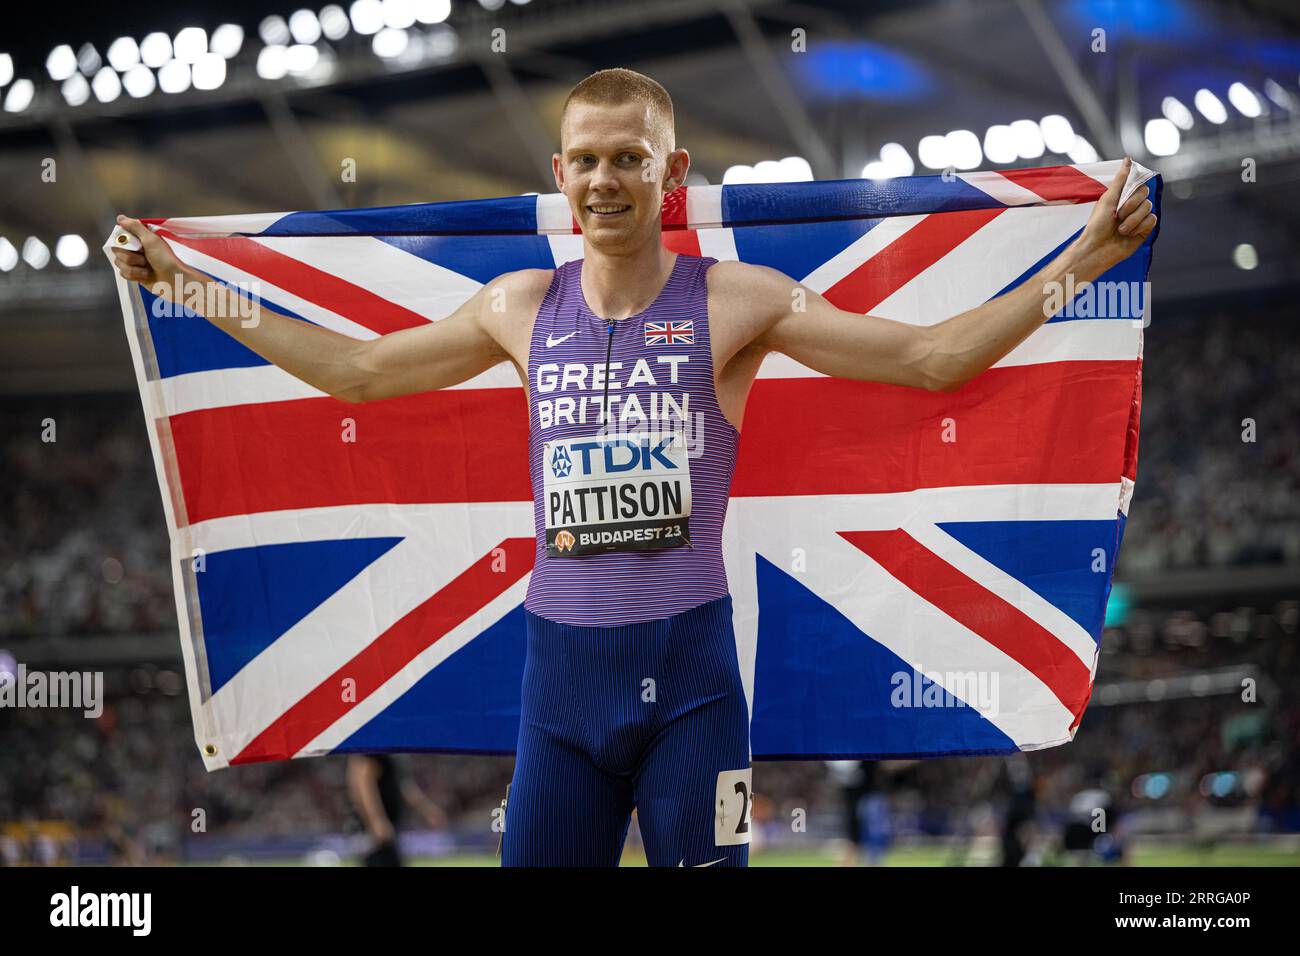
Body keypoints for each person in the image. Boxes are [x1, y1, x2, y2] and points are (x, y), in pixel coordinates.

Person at [109, 68, 1157, 868]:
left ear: (672, 173)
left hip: (697, 691)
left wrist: (1086, 263)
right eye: (586, 159)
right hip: (557, 691)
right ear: (558, 175)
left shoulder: (740, 299)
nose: (605, 177)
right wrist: (184, 286)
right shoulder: (517, 306)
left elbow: (933, 360)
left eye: (628, 157)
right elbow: (356, 371)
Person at [346, 753, 448, 866]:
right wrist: (376, 821)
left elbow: (402, 785)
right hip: (372, 832)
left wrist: (427, 810)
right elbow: (361, 784)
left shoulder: (391, 751)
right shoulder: (372, 745)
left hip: (389, 829)